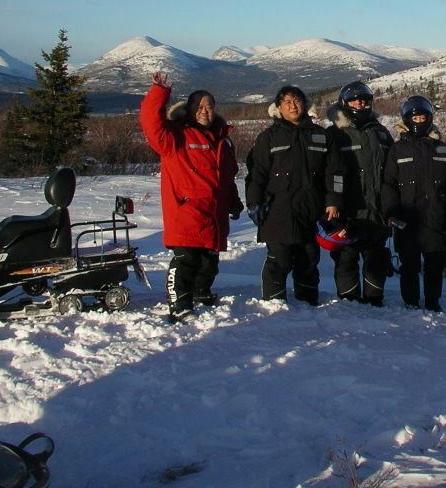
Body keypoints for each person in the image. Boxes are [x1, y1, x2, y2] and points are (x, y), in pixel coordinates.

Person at [139, 71, 243, 323]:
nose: (205, 111)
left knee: (209, 260)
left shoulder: (222, 140)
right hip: (186, 211)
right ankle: (180, 304)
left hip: (214, 212)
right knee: (187, 259)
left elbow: (227, 176)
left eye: (209, 106)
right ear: (189, 109)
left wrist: (233, 201)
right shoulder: (176, 136)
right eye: (199, 106)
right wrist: (158, 93)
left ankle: (200, 292)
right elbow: (150, 123)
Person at [245, 85, 343, 306]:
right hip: (278, 208)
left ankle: (308, 299)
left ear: (305, 104)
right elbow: (257, 174)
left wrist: (333, 200)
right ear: (278, 108)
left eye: (297, 100)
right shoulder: (268, 137)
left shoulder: (320, 135)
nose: (293, 105)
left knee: (309, 258)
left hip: (312, 207)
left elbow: (335, 172)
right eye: (287, 102)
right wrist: (253, 202)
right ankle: (274, 302)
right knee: (279, 258)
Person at [381, 95, 446, 312]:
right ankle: (410, 301)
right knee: (409, 264)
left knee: (434, 264)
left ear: (429, 118)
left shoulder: (442, 149)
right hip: (407, 216)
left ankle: (433, 301)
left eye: (423, 117)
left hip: (435, 215)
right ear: (406, 120)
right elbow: (389, 184)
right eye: (415, 117)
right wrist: (390, 212)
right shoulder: (398, 149)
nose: (419, 121)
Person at [325, 81, 394, 306]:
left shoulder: (380, 133)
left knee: (375, 256)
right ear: (344, 103)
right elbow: (327, 171)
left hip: (376, 206)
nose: (359, 103)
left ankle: (374, 300)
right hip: (347, 207)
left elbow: (392, 171)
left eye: (363, 99)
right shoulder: (335, 133)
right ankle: (349, 301)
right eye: (354, 99)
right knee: (346, 257)